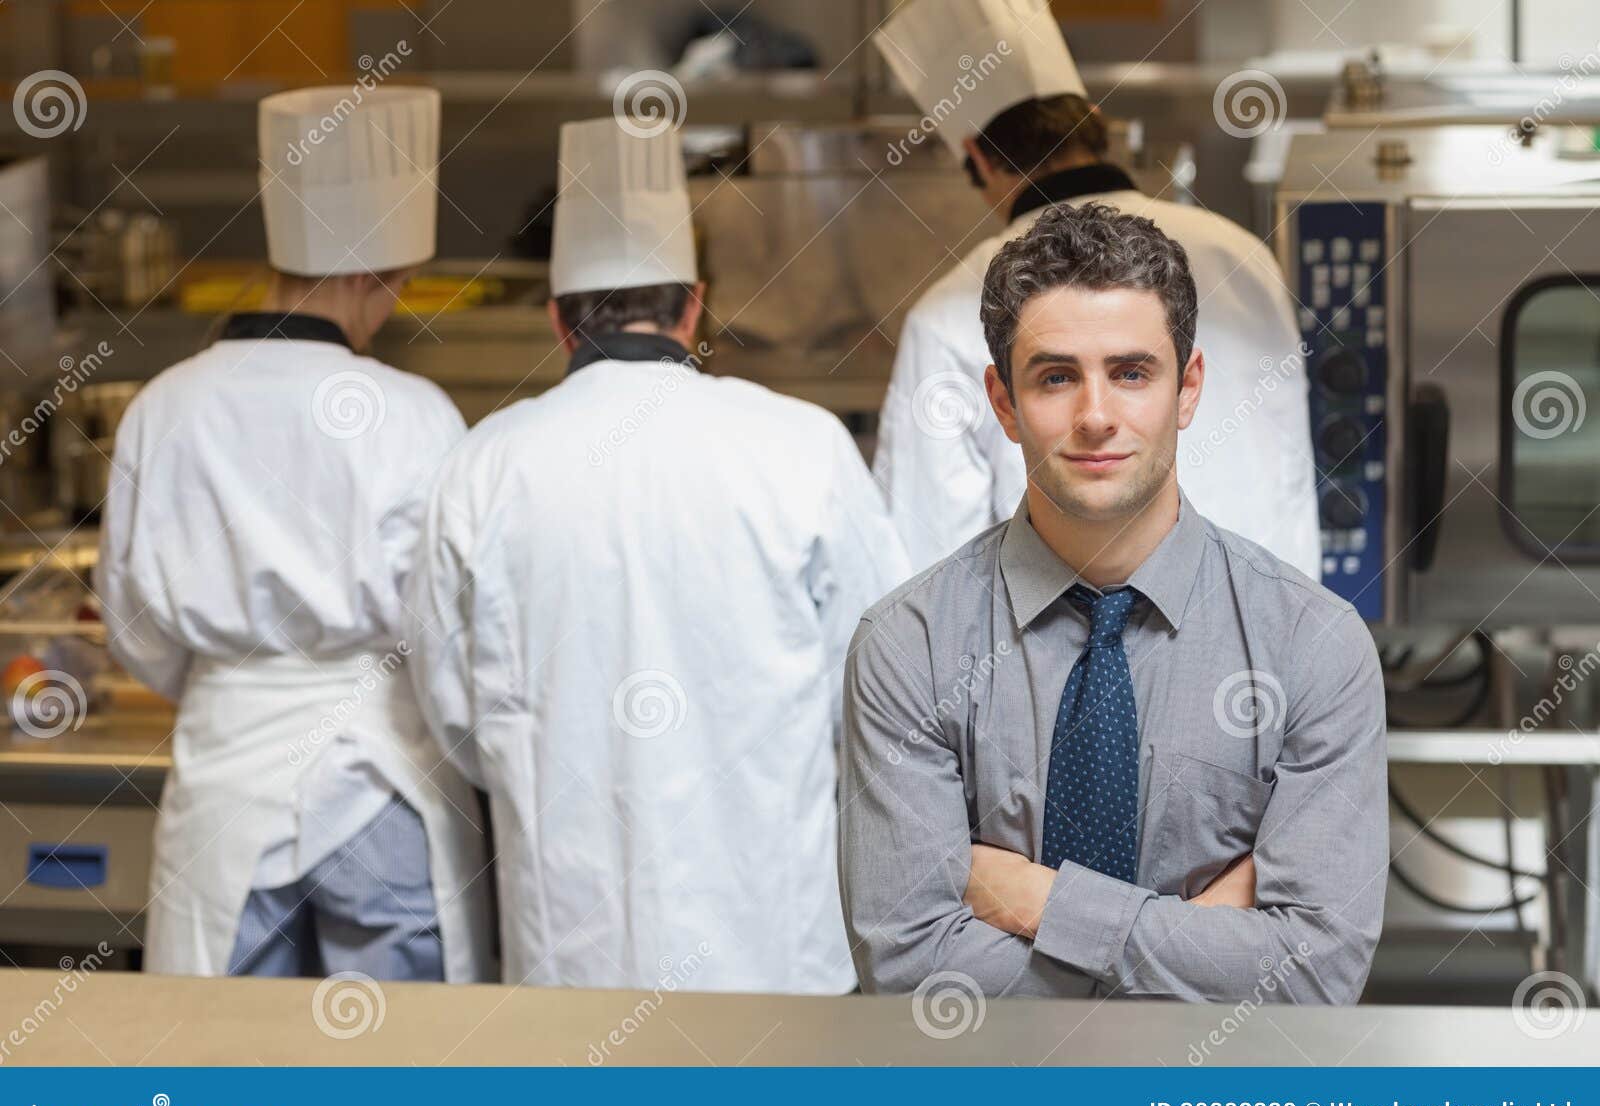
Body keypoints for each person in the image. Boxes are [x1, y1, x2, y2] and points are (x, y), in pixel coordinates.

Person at [406, 116, 910, 993]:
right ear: (695, 305)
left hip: (571, 934)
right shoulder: (801, 443)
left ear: (560, 322)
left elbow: (451, 708)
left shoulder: (483, 463)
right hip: (772, 936)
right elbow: (880, 679)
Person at [839, 203, 1386, 1002]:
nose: (1096, 416)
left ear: (1188, 387)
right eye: (1056, 376)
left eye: (1131, 372)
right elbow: (910, 969)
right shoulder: (909, 646)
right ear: (1002, 401)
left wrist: (1036, 901)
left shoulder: (1313, 645)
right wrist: (1201, 932)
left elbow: (1311, 972)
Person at [97, 86, 492, 982]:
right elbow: (448, 621)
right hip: (381, 778)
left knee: (230, 1072)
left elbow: (134, 627)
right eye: (393, 286)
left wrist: (238, 676)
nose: (391, 307)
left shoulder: (166, 408)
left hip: (226, 781)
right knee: (400, 1079)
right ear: (364, 276)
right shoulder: (414, 412)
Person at [872, 0, 1319, 576]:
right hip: (1262, 627)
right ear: (1094, 121)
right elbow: (1291, 475)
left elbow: (929, 548)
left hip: (1058, 653)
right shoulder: (1243, 254)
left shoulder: (951, 308)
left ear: (978, 160)